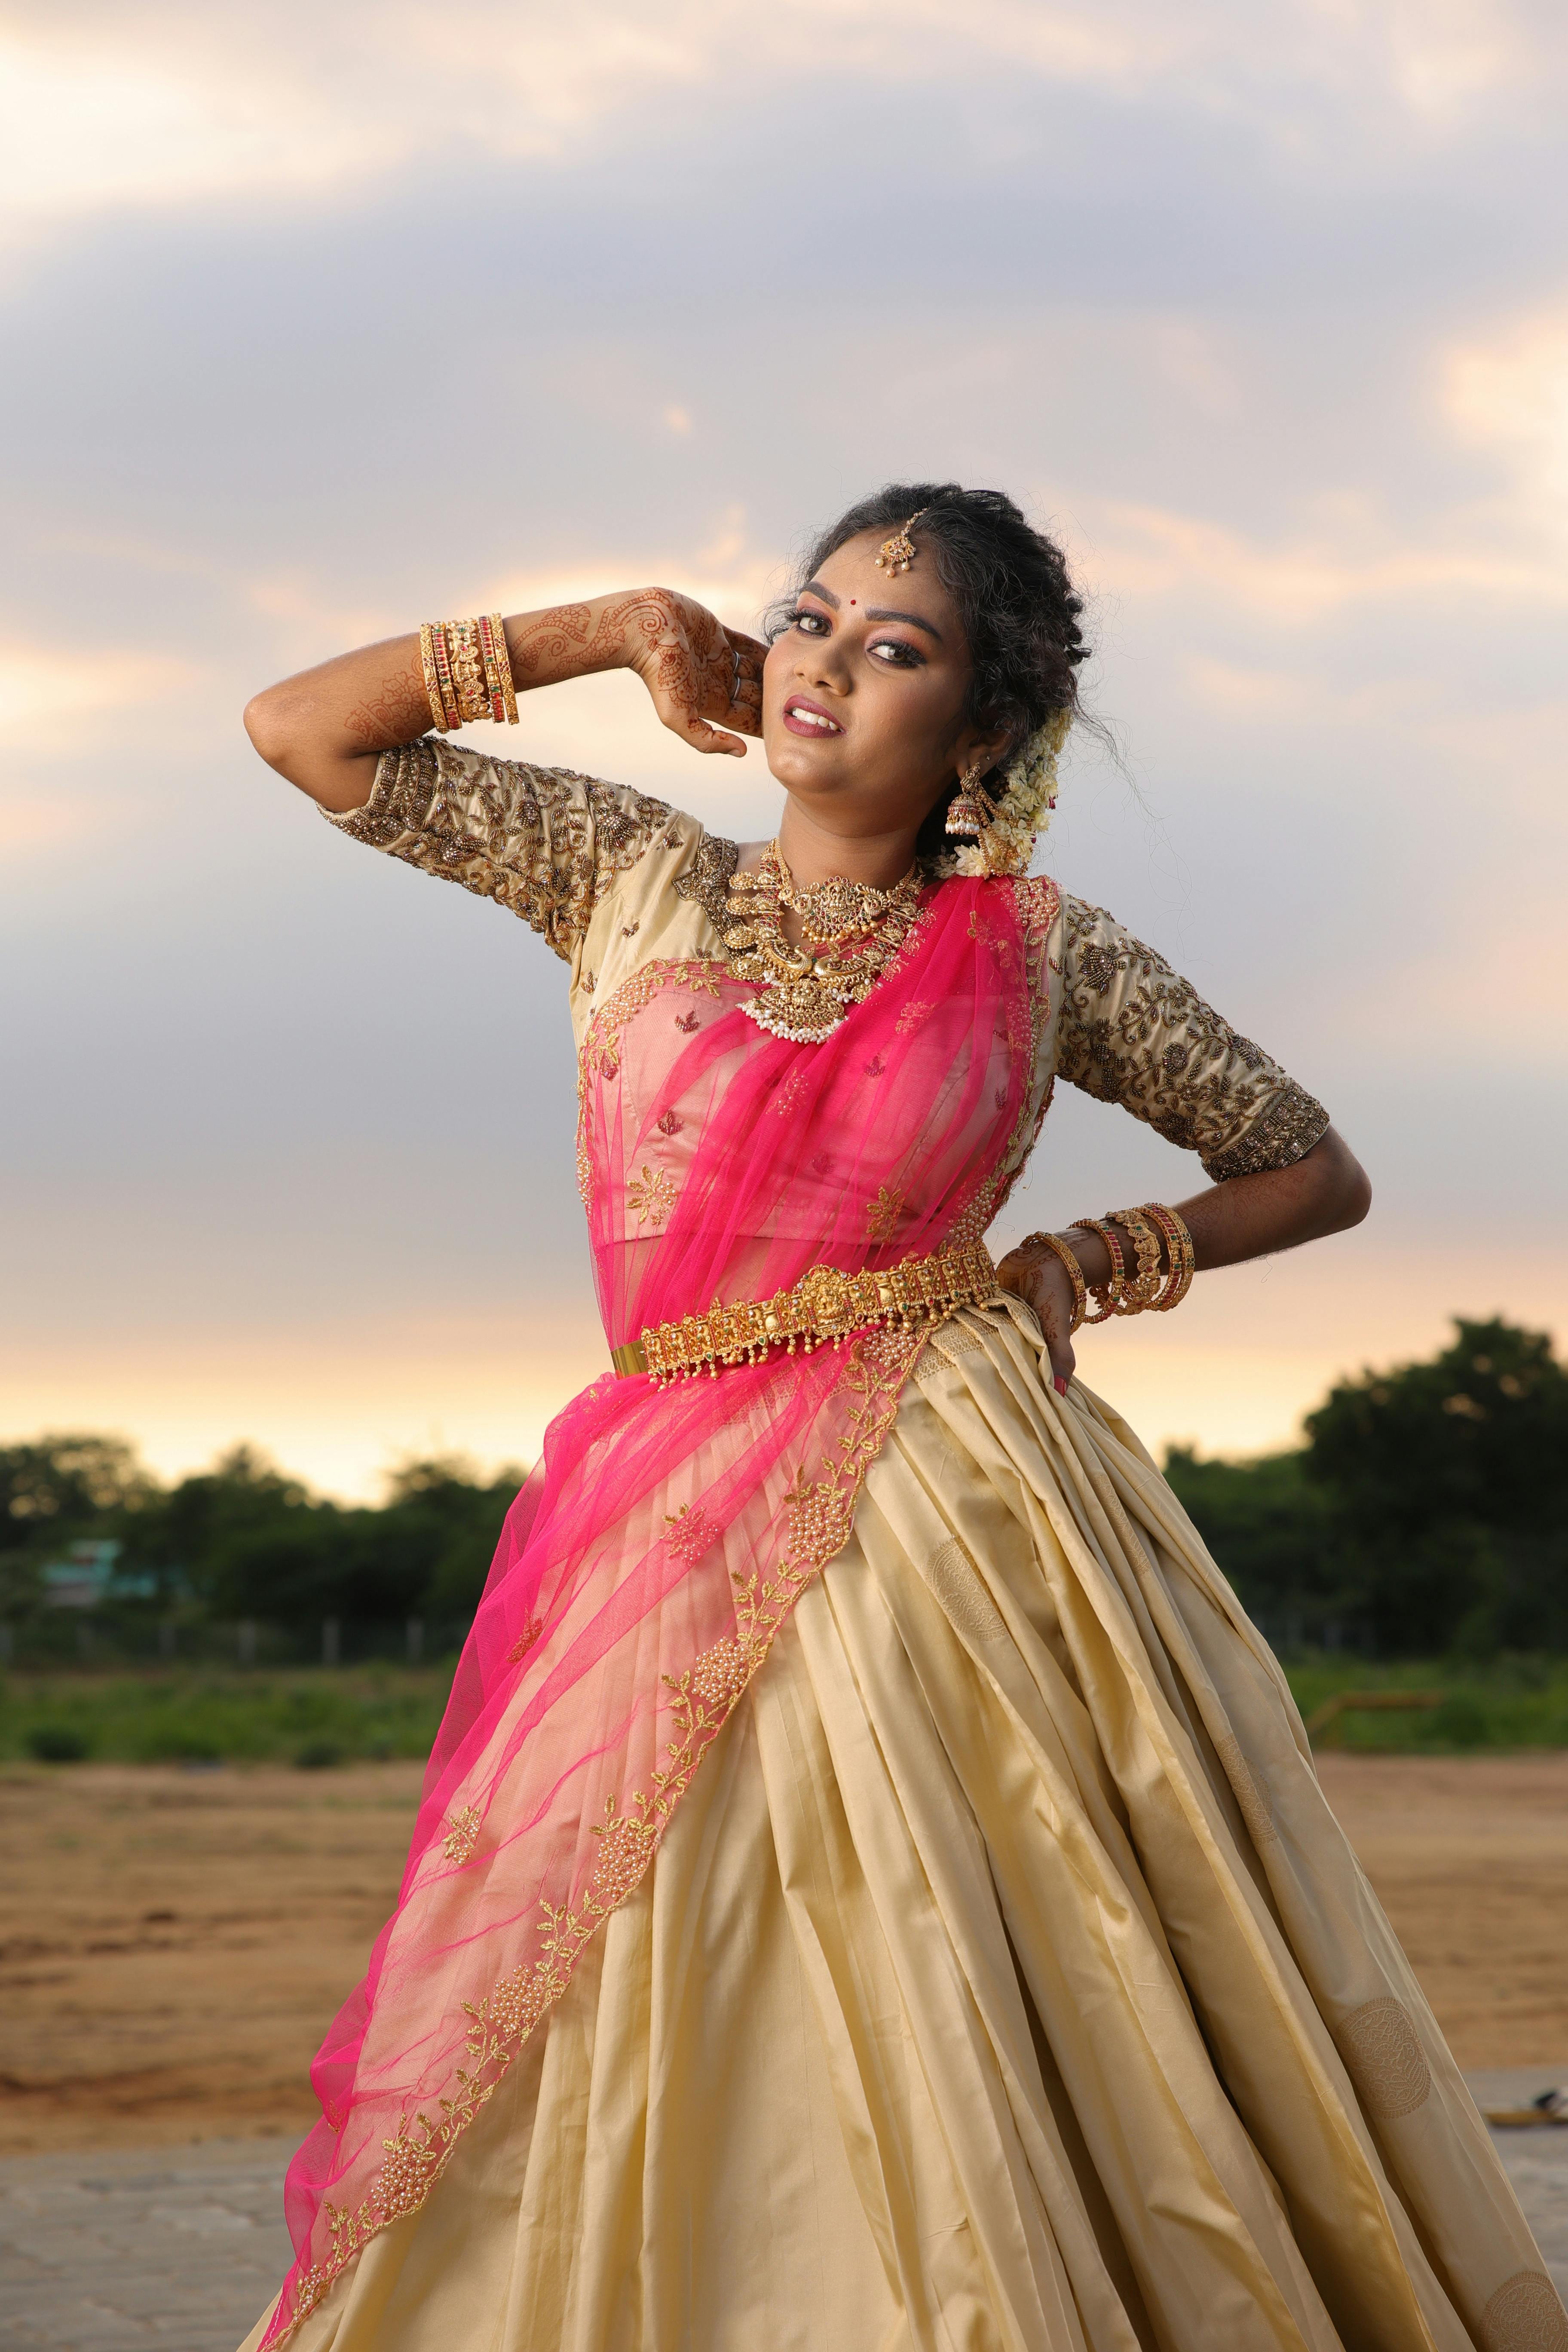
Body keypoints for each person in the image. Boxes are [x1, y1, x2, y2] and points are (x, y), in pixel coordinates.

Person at [239, 486, 1556, 2352]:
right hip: (667, 1501)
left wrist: (1103, 1252)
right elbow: (304, 729)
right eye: (809, 616)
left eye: (896, 647)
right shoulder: (627, 871)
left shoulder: (1045, 951)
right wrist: (608, 627)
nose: (826, 664)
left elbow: (1308, 1166)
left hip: (946, 1500)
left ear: (985, 728)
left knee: (942, 1929)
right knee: (658, 1938)